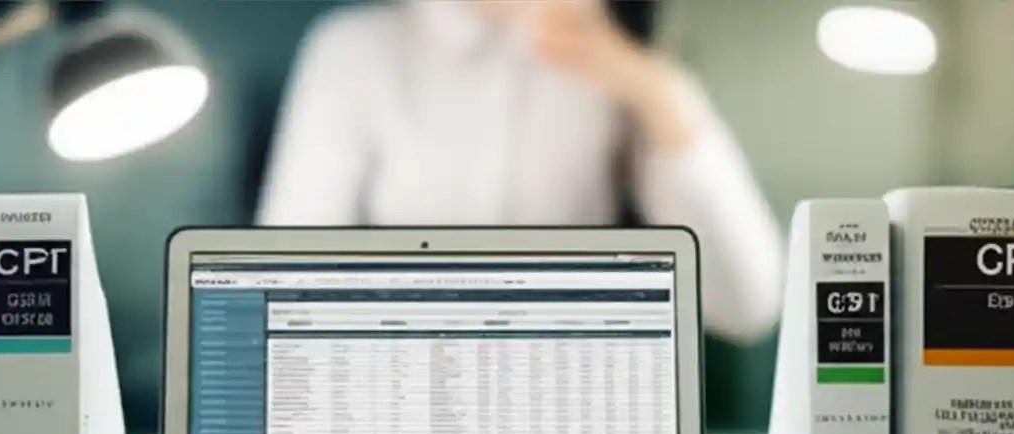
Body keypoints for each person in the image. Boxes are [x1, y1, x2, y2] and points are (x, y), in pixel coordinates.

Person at [259, 0, 784, 343]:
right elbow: (278, 290)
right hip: (399, 400)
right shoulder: (356, 50)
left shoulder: (622, 59)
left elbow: (748, 303)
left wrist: (658, 94)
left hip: (576, 408)